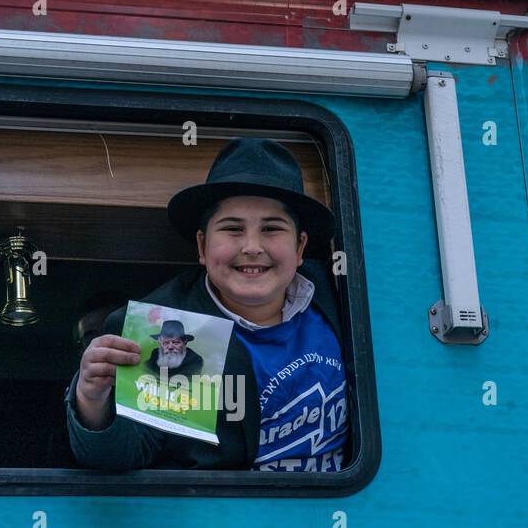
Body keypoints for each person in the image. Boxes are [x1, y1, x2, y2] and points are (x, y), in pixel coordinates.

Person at [64, 137, 349, 472]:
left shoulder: (339, 291)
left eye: (272, 228)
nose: (252, 246)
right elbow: (122, 458)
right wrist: (91, 400)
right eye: (232, 229)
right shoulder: (170, 327)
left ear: (301, 247)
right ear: (202, 245)